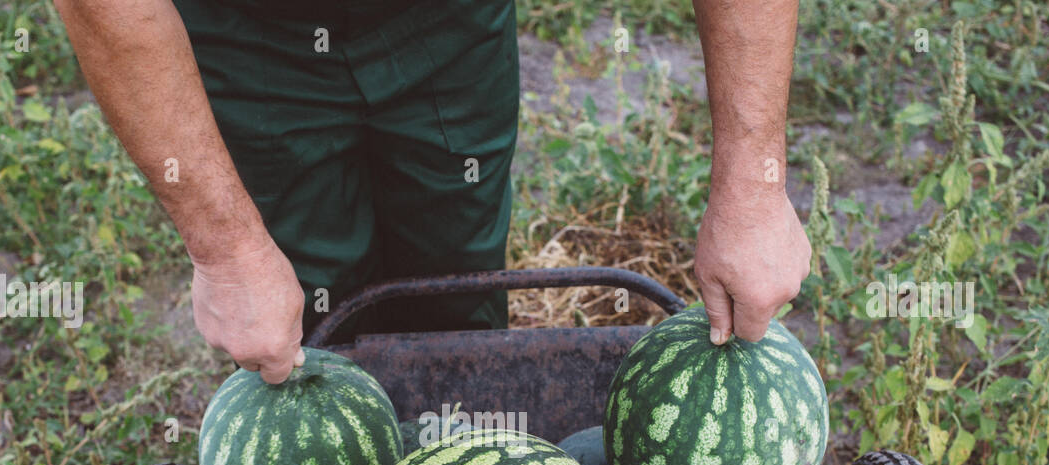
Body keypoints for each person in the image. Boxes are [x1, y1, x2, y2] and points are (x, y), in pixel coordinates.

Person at [53, 1, 811, 383]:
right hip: (239, 26)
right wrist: (223, 251)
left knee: (458, 288)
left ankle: (460, 446)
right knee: (307, 325)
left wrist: (753, 186)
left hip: (445, 19)